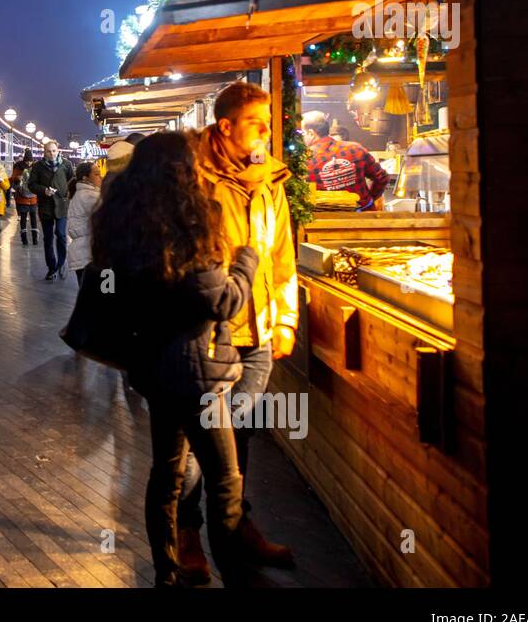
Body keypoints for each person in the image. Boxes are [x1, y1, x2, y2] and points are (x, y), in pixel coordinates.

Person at [90, 131, 259, 587]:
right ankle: (237, 576)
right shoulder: (191, 223)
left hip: (151, 368)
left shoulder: (122, 225)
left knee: (165, 474)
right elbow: (221, 302)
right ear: (184, 172)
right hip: (199, 375)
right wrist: (246, 261)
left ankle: (167, 571)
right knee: (225, 481)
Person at [179, 81, 299, 578]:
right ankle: (188, 534)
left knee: (240, 435)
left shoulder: (271, 180)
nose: (267, 133)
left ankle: (237, 527)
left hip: (258, 333)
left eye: (269, 122)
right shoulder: (191, 178)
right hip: (207, 334)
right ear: (225, 127)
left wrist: (287, 317)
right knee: (196, 444)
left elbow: (282, 254)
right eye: (257, 123)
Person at [302, 111, 389, 210]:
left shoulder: (305, 158)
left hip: (325, 220)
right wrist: (369, 200)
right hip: (363, 217)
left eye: (302, 133)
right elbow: (382, 178)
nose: (301, 137)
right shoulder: (355, 149)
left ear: (311, 133)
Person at [29, 140, 71, 280]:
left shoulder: (66, 164)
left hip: (61, 205)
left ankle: (61, 263)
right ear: (44, 152)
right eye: (48, 151)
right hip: (45, 206)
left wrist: (69, 195)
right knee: (48, 238)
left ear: (58, 150)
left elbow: (72, 182)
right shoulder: (37, 166)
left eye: (54, 150)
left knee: (61, 234)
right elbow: (31, 184)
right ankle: (51, 268)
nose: (52, 153)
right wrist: (44, 190)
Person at [65, 160, 102, 286]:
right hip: (91, 254)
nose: (100, 177)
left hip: (82, 254)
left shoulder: (79, 194)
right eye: (96, 174)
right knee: (107, 292)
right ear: (86, 178)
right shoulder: (90, 197)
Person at [12, 149, 40, 246]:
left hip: (33, 197)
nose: (29, 163)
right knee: (23, 218)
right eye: (27, 161)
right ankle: (24, 240)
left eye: (30, 161)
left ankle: (35, 239)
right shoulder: (18, 166)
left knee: (33, 218)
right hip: (22, 197)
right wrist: (16, 178)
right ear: (24, 160)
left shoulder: (36, 167)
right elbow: (12, 178)